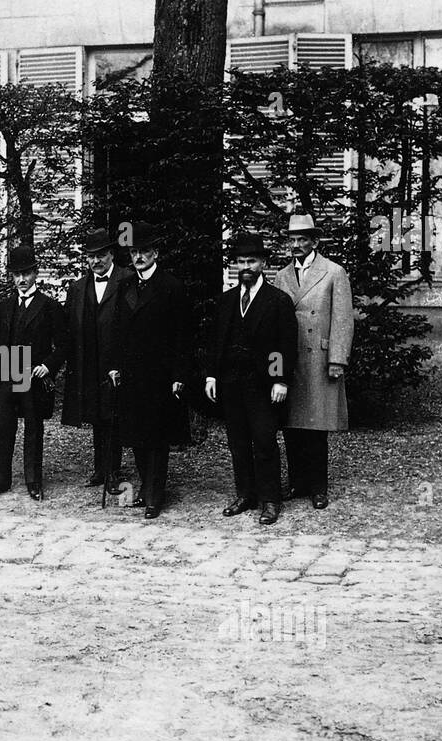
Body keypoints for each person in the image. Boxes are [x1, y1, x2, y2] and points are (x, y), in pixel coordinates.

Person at [204, 235, 298, 526]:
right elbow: (215, 341)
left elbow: (284, 345)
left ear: (263, 264)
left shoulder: (277, 300)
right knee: (238, 442)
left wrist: (279, 380)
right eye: (241, 262)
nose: (246, 267)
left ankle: (270, 500)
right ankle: (246, 493)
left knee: (265, 441)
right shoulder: (228, 300)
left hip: (263, 385)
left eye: (252, 261)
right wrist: (211, 375)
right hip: (231, 383)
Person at [109, 222, 192, 520]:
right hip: (132, 374)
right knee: (136, 433)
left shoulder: (171, 287)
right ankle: (145, 485)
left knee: (157, 436)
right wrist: (115, 365)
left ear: (155, 252)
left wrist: (179, 375)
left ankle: (155, 495)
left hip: (160, 375)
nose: (139, 257)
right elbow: (117, 330)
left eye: (144, 251)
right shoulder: (126, 286)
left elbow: (183, 336)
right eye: (134, 252)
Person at [273, 213, 354, 510]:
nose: (296, 245)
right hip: (291, 361)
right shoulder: (281, 276)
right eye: (292, 240)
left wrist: (337, 359)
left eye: (302, 239)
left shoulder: (333, 272)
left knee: (316, 427)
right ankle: (297, 482)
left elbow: (343, 320)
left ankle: (318, 487)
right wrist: (275, 366)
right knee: (292, 426)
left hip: (319, 360)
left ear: (314, 242)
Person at [0, 246, 67, 501]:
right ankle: (1, 481)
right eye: (17, 274)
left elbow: (64, 345)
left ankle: (33, 481)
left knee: (33, 429)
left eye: (26, 273)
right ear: (12, 276)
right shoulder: (5, 307)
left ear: (36, 273)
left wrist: (48, 366)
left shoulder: (49, 306)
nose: (22, 279)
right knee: (3, 428)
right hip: (6, 378)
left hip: (33, 379)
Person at [61, 227, 133, 493]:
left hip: (116, 361)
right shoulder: (78, 287)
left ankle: (114, 471)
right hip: (88, 361)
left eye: (101, 255)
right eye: (90, 256)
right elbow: (69, 326)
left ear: (111, 254)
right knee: (95, 416)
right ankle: (99, 469)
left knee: (113, 415)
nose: (95, 261)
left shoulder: (127, 279)